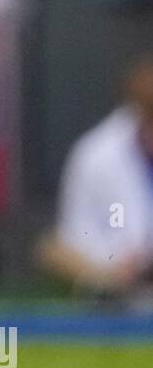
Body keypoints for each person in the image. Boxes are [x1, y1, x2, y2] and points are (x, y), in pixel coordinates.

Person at [38, 57, 153, 301]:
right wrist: (116, 266)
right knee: (51, 250)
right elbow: (75, 236)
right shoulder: (96, 154)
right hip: (115, 274)